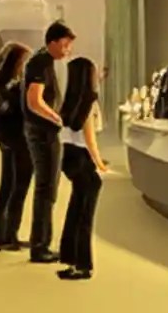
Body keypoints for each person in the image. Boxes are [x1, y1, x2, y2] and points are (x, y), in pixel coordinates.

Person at [23, 21, 75, 263]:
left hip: (41, 130)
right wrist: (56, 118)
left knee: (46, 188)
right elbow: (34, 100)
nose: (67, 51)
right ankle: (40, 245)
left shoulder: (41, 60)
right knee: (47, 189)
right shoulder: (41, 63)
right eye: (64, 45)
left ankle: (41, 242)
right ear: (52, 42)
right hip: (43, 132)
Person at [55, 57, 108, 281]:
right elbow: (90, 139)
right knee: (85, 215)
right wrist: (100, 164)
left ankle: (70, 259)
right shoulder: (89, 103)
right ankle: (83, 265)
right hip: (83, 158)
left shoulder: (69, 102)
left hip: (69, 156)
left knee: (74, 210)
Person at [0, 42, 33, 252]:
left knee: (7, 186)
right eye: (24, 61)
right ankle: (10, 235)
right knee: (18, 187)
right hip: (18, 140)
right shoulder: (15, 87)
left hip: (6, 139)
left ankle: (3, 236)